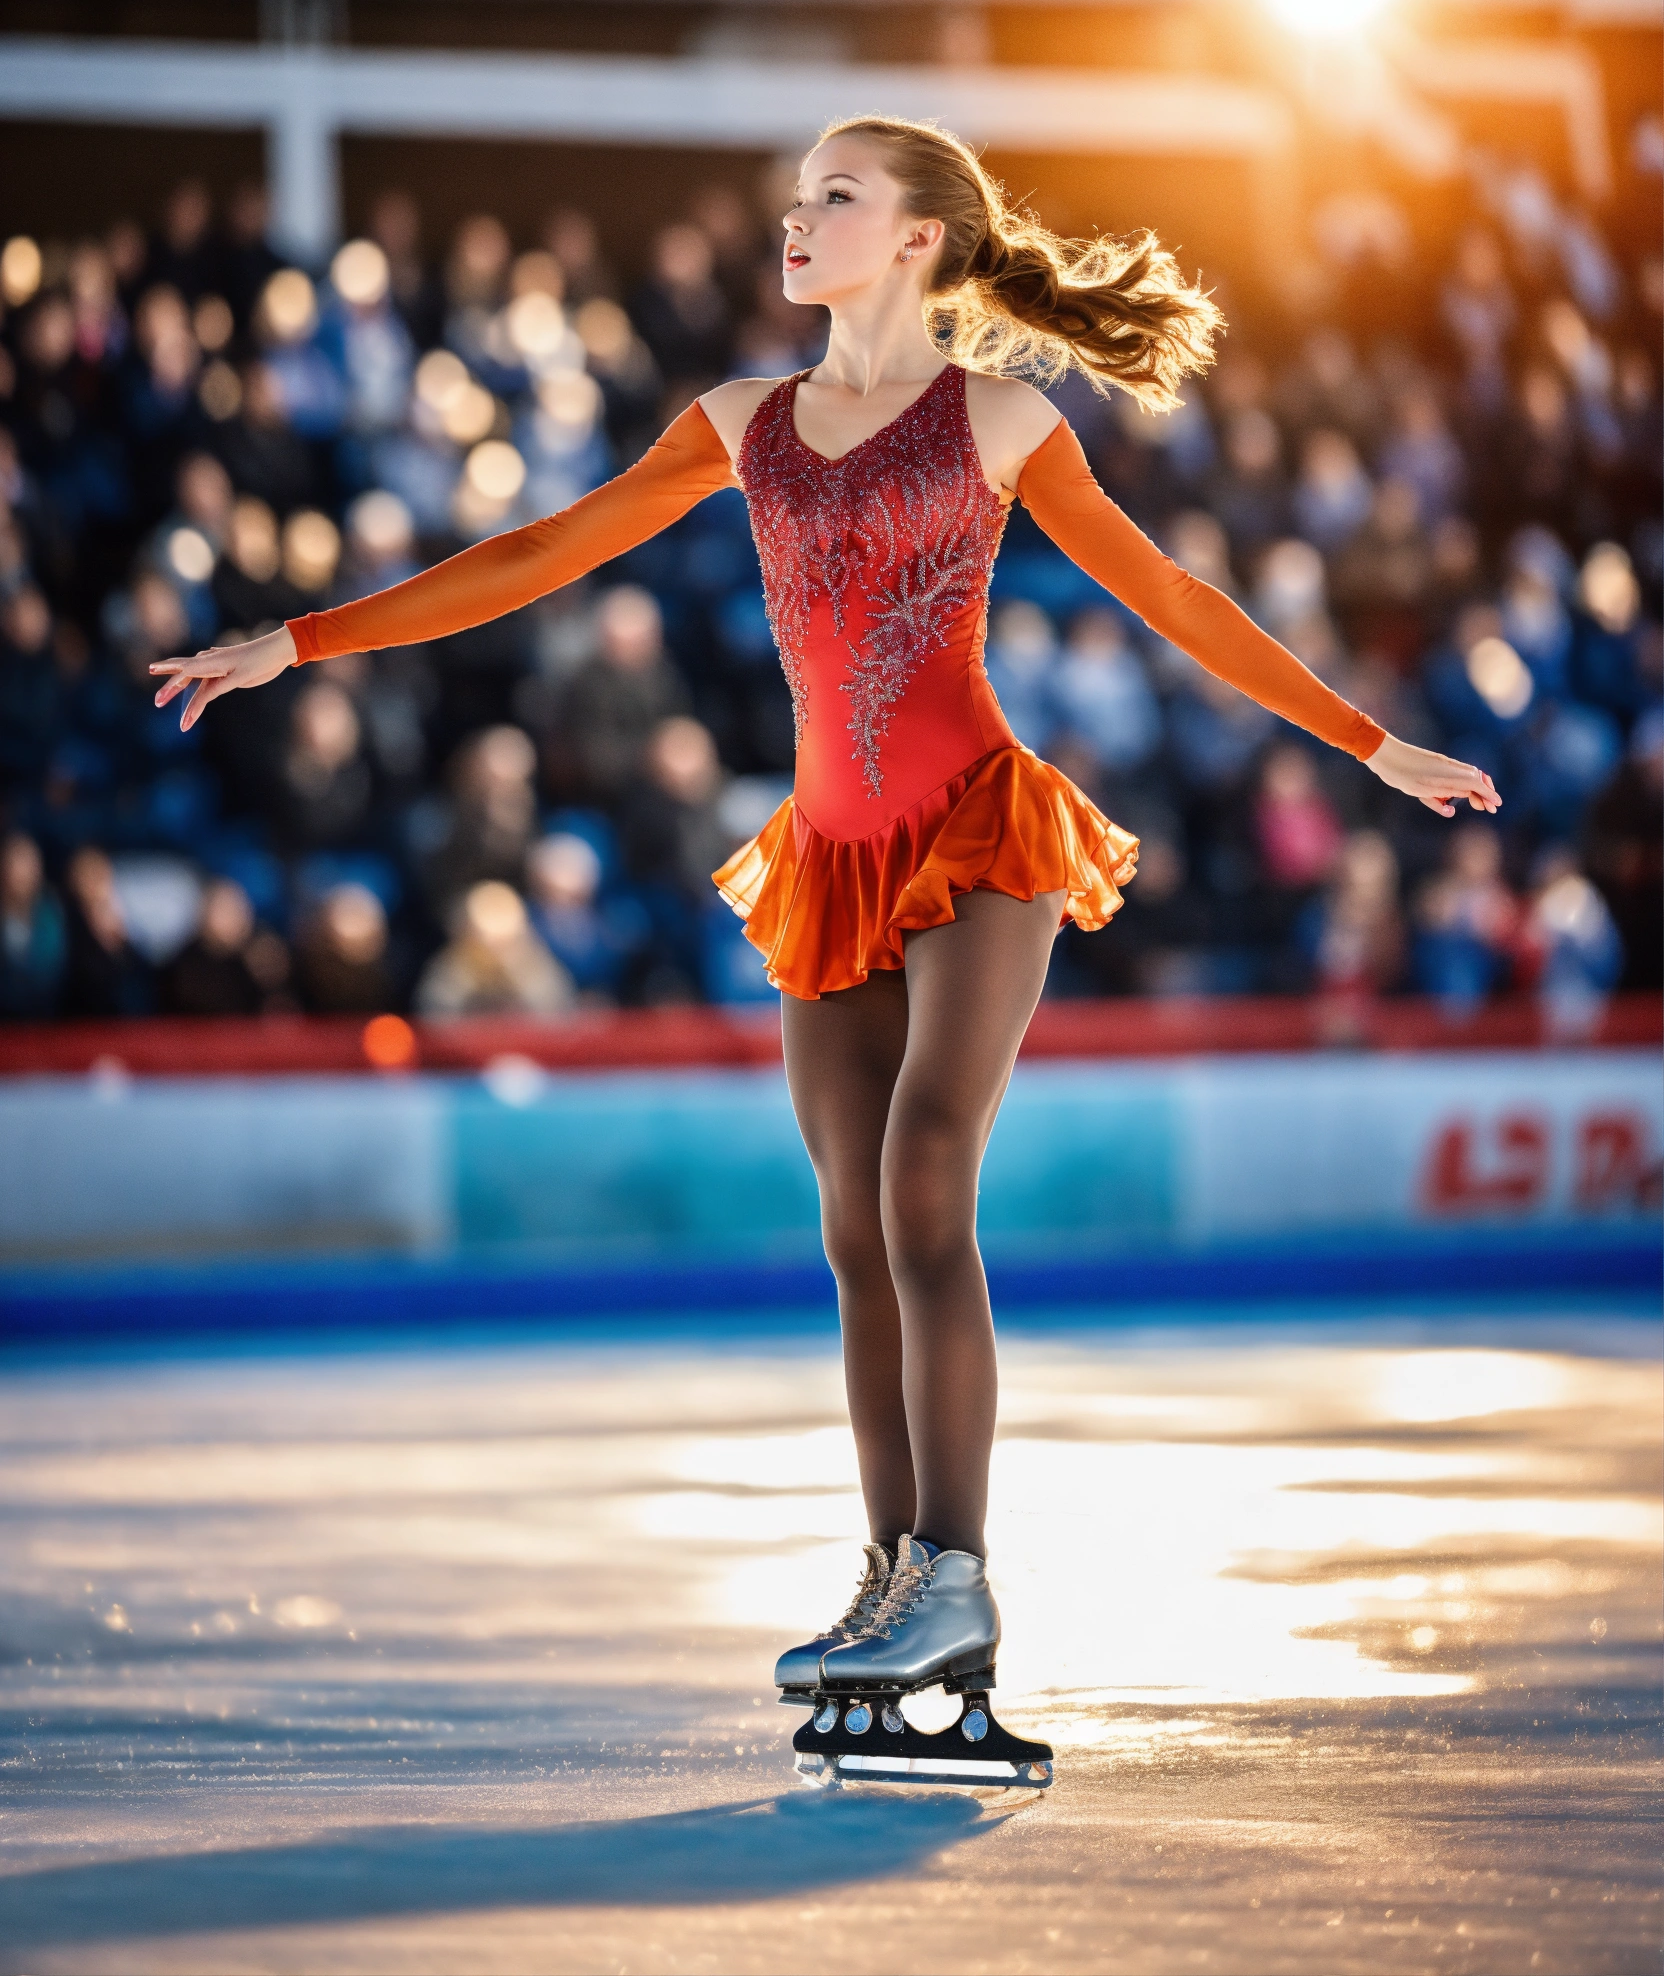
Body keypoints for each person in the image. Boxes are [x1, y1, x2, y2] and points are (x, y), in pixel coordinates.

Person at [148, 114, 1500, 1783]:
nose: (797, 221)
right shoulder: (741, 421)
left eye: (836, 198)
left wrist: (1374, 745)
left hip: (982, 834)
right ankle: (892, 1581)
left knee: (927, 1176)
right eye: (798, 199)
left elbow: (1175, 601)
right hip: (831, 859)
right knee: (856, 1225)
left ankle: (959, 1575)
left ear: (920, 237)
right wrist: (298, 641)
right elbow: (538, 554)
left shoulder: (1001, 420)